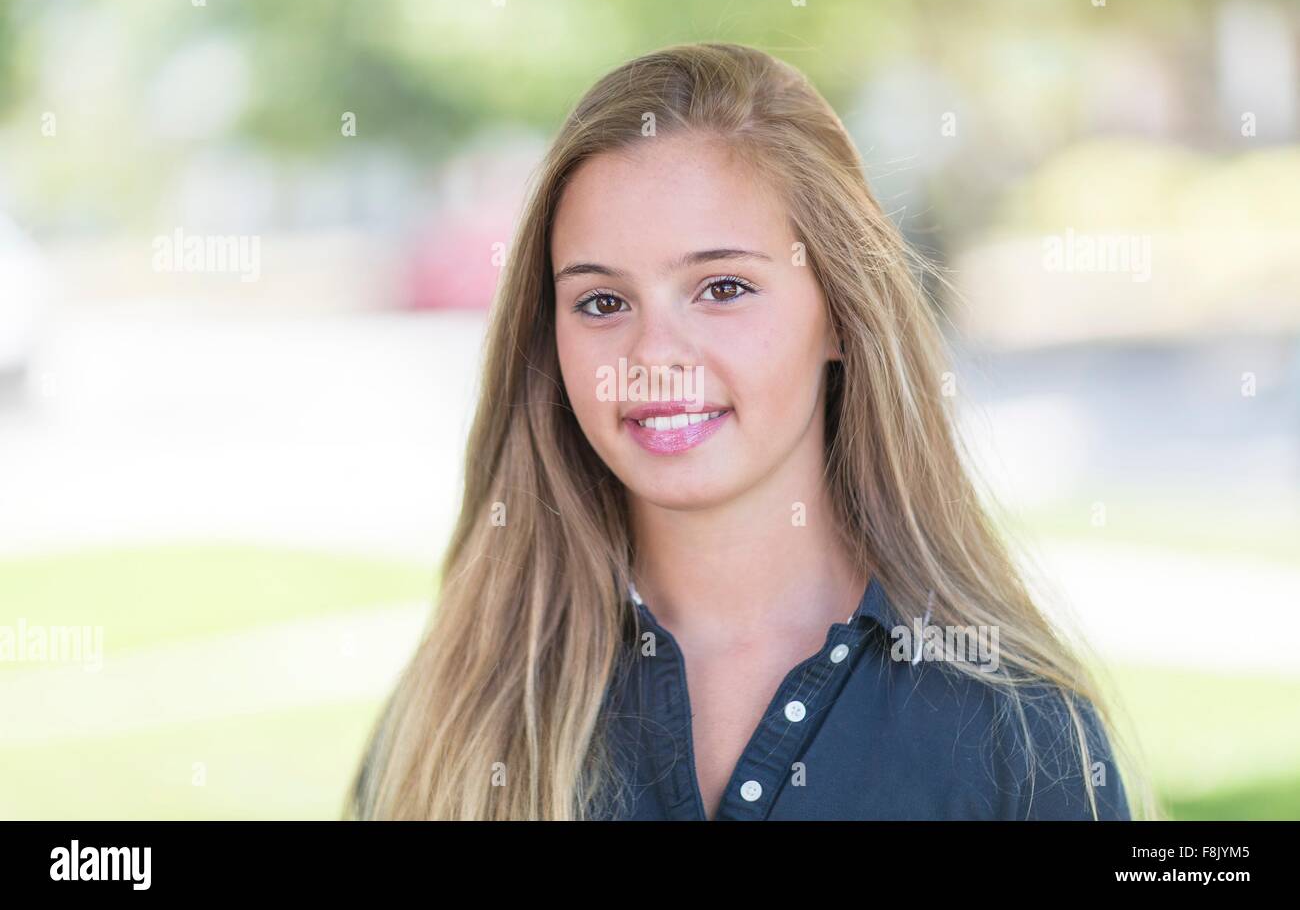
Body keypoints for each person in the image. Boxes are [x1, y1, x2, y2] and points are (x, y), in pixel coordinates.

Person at [346, 42, 1152, 821]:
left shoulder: (1018, 730)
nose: (654, 355)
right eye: (602, 302)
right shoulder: (452, 720)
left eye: (722, 287)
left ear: (840, 313)